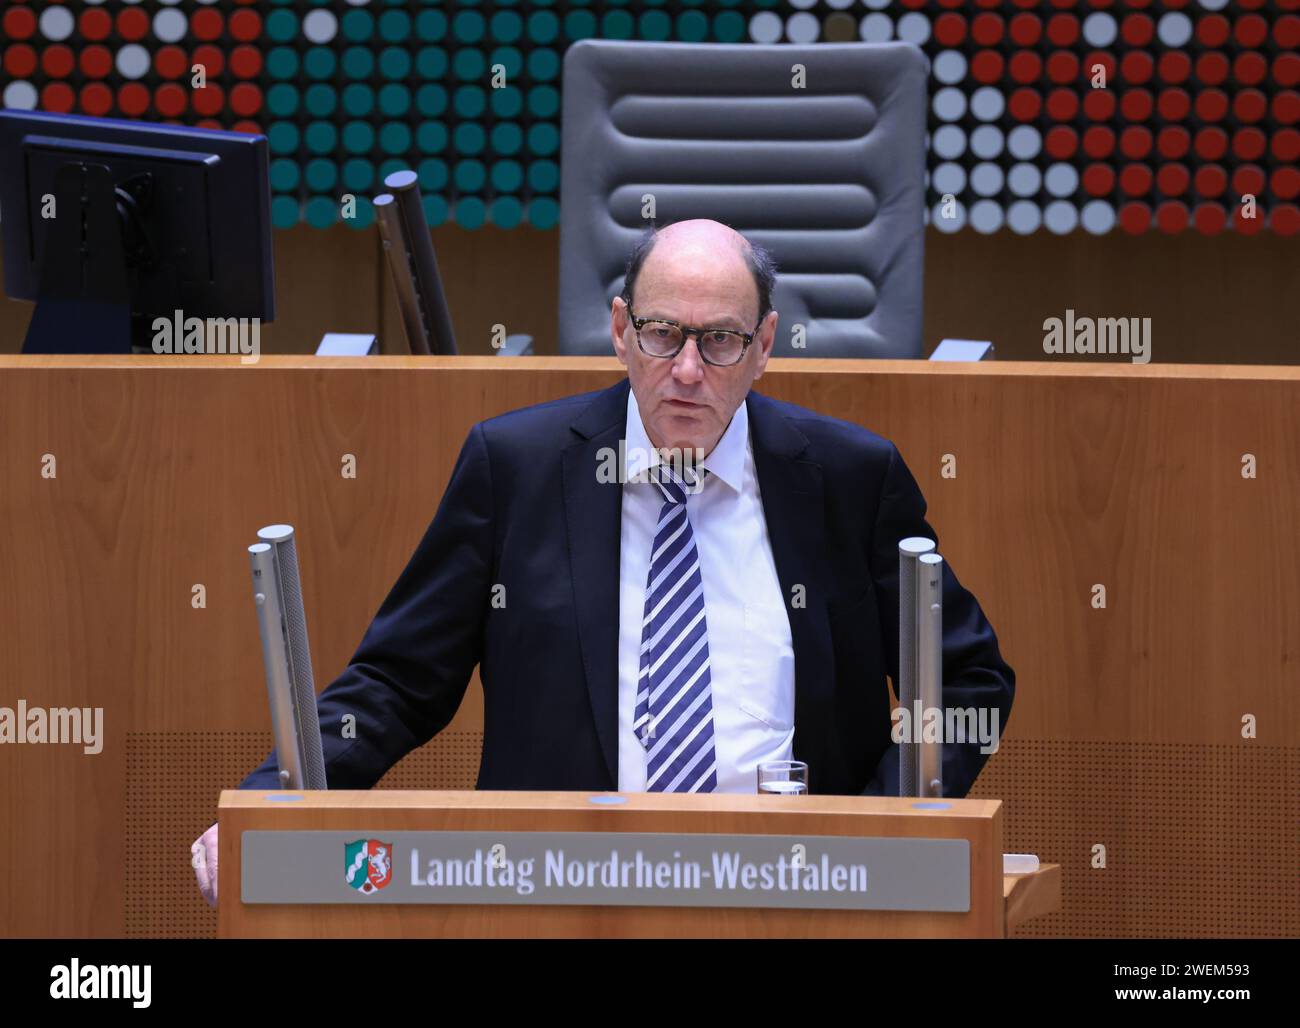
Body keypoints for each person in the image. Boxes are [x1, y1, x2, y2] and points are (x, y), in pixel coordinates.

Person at [191, 219, 1014, 906]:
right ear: (621, 329)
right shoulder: (516, 466)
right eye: (663, 335)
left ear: (765, 344)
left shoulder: (847, 478)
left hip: (795, 895)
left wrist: (880, 830)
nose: (687, 371)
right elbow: (400, 681)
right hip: (557, 893)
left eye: (721, 341)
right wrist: (274, 804)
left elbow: (966, 683)